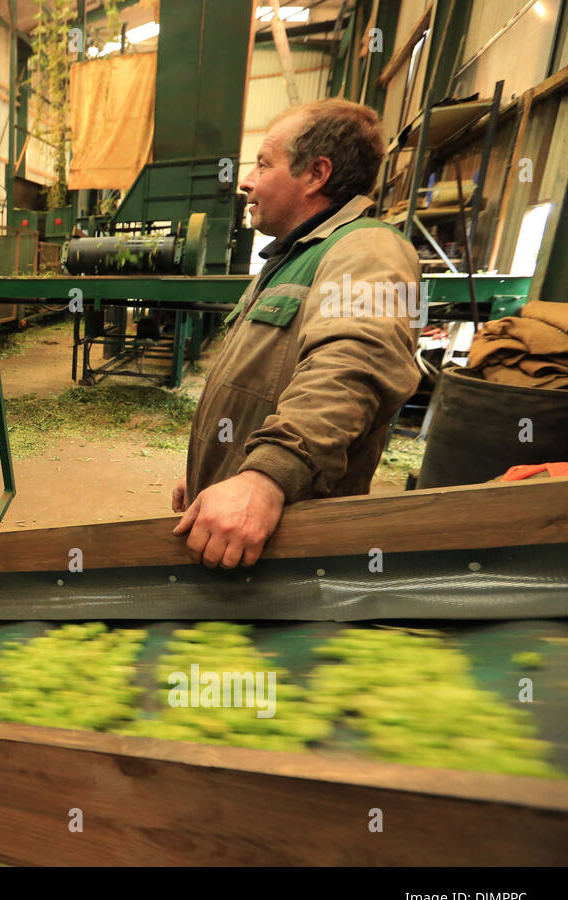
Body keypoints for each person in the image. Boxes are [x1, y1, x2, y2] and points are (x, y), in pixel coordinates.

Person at [171, 98, 421, 569]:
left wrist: (264, 480)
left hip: (286, 543)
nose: (246, 180)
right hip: (238, 527)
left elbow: (353, 367)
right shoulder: (291, 259)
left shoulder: (368, 249)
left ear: (316, 174)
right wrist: (212, 471)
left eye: (263, 164)